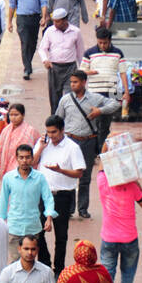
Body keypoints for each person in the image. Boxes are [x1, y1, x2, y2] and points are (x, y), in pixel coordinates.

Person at [56, 70, 112, 220]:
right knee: (69, 174)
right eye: (71, 82)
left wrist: (100, 110)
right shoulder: (65, 100)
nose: (72, 85)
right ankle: (69, 209)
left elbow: (114, 104)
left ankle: (83, 208)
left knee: (85, 176)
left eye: (75, 82)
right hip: (70, 141)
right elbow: (58, 119)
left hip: (88, 141)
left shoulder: (94, 98)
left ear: (83, 82)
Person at [33, 116, 85, 273]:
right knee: (38, 231)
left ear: (62, 130)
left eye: (54, 132)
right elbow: (32, 162)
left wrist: (60, 170)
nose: (51, 136)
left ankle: (59, 268)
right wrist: (41, 147)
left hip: (62, 195)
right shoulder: (44, 143)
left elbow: (79, 173)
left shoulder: (72, 148)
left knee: (61, 235)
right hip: (43, 194)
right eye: (48, 132)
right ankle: (45, 263)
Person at [96, 166, 142, 283]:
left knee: (107, 274)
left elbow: (102, 161)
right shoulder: (132, 186)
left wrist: (108, 143)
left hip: (108, 239)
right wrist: (137, 183)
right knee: (128, 275)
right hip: (129, 239)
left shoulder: (103, 182)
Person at [0, 143, 56, 252]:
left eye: (28, 157)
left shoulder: (40, 178)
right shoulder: (8, 178)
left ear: (32, 158)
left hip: (33, 226)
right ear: (16, 159)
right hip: (14, 227)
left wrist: (49, 217)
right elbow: (3, 201)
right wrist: (1, 222)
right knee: (14, 262)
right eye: (21, 157)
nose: (24, 161)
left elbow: (48, 199)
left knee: (31, 260)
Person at [82, 28, 130, 138]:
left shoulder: (118, 53)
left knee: (106, 123)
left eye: (105, 43)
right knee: (95, 122)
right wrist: (90, 72)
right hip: (94, 91)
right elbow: (81, 71)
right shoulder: (89, 53)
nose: (102, 45)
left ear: (110, 41)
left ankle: (102, 149)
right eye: (100, 43)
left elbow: (123, 73)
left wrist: (126, 92)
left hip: (112, 91)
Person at [38, 9, 85, 112]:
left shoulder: (76, 32)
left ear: (65, 20)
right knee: (54, 96)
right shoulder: (50, 31)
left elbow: (80, 52)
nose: (55, 23)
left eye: (57, 21)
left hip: (70, 68)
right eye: (54, 21)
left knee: (71, 95)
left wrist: (82, 70)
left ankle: (69, 118)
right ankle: (55, 119)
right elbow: (42, 48)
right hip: (54, 67)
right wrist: (45, 60)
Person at [7, 0, 48, 80]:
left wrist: (44, 17)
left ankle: (28, 63)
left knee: (33, 43)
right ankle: (27, 68)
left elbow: (44, 3)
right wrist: (10, 21)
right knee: (24, 43)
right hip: (21, 18)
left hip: (34, 18)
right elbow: (12, 4)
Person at [0, 103, 39, 184]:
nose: (13, 118)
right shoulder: (6, 131)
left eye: (16, 115)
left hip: (24, 170)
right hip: (8, 169)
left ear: (23, 115)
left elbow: (37, 150)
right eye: (11, 115)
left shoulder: (30, 131)